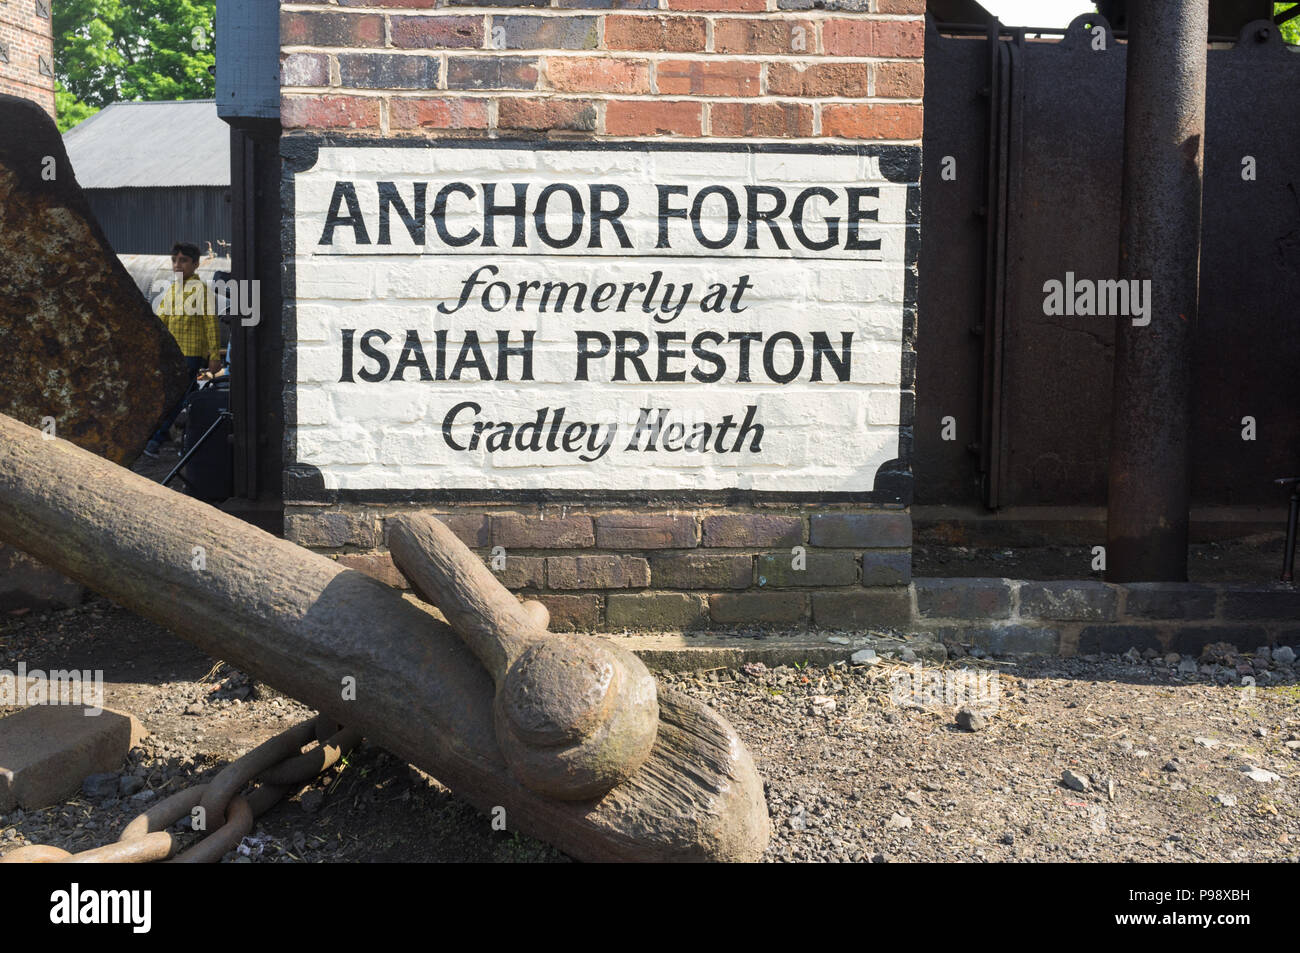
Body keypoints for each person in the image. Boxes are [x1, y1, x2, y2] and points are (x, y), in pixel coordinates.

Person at [144, 242, 222, 458]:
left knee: (179, 398)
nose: (177, 265)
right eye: (174, 260)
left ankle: (155, 441)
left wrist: (214, 356)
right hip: (172, 353)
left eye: (184, 260)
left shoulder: (201, 291)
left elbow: (210, 323)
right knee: (185, 396)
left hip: (191, 354)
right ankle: (187, 440)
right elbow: (161, 321)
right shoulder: (171, 290)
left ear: (196, 264)